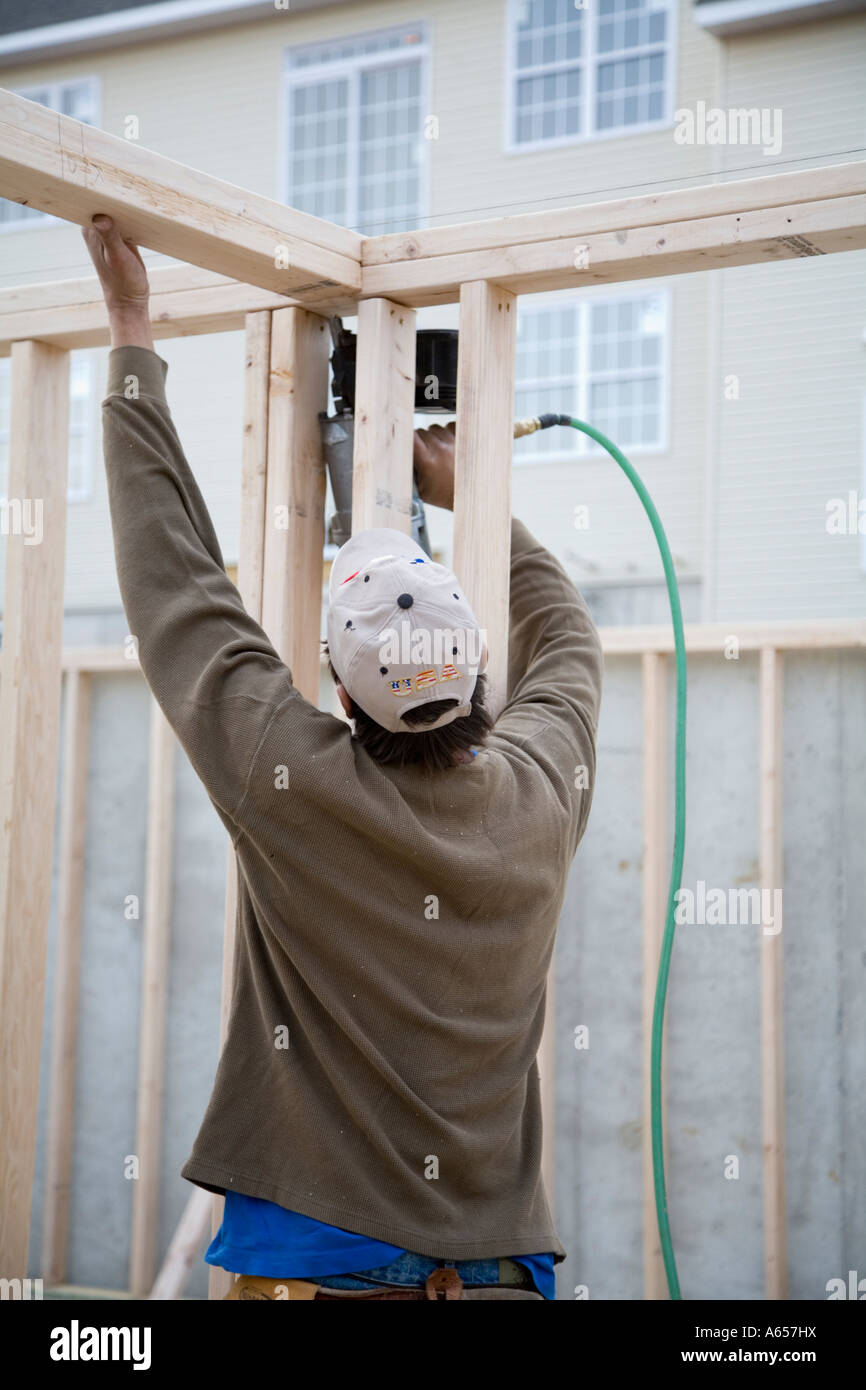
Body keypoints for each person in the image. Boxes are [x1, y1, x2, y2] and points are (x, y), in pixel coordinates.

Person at [82, 214, 604, 1302]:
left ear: (335, 685)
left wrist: (132, 333)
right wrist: (476, 506)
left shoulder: (293, 776)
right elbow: (566, 633)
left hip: (320, 1264)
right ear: (471, 672)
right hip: (502, 1268)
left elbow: (171, 580)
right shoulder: (541, 788)